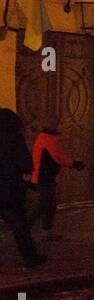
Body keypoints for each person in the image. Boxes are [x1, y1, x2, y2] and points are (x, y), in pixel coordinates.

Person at [0, 108, 43, 267]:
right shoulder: (15, 139)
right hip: (10, 189)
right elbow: (26, 165)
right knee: (19, 225)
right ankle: (30, 258)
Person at [30, 124, 83, 238]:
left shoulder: (44, 138)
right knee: (46, 204)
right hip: (44, 177)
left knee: (46, 204)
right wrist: (74, 164)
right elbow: (58, 157)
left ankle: (39, 229)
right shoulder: (48, 139)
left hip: (44, 176)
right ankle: (27, 227)